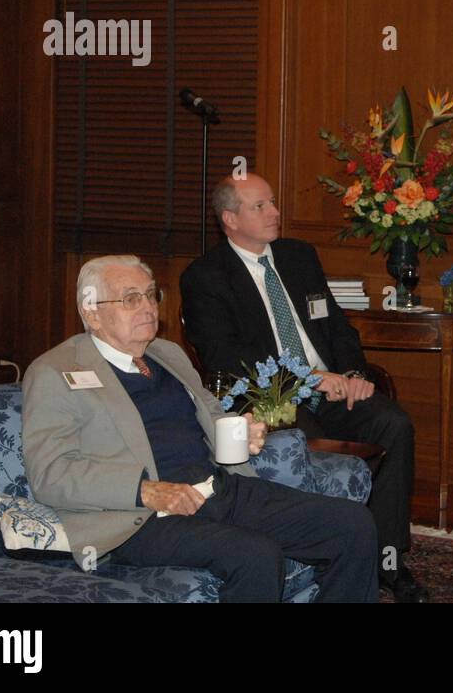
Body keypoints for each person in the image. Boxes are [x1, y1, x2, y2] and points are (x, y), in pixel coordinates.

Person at [22, 255, 378, 603]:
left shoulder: (167, 354)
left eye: (150, 295)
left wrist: (242, 429)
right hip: (139, 516)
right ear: (91, 312)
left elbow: (211, 412)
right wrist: (145, 490)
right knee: (253, 554)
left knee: (352, 524)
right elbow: (51, 474)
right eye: (130, 298)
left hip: (214, 489)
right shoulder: (56, 371)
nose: (147, 307)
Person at [180, 172, 427, 602]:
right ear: (230, 219)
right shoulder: (206, 277)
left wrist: (354, 375)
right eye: (260, 207)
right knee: (304, 439)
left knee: (394, 424)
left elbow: (335, 325)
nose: (275, 213)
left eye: (273, 202)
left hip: (333, 387)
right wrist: (309, 379)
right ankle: (319, 551)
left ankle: (387, 557)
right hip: (273, 399)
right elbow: (226, 359)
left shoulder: (298, 256)